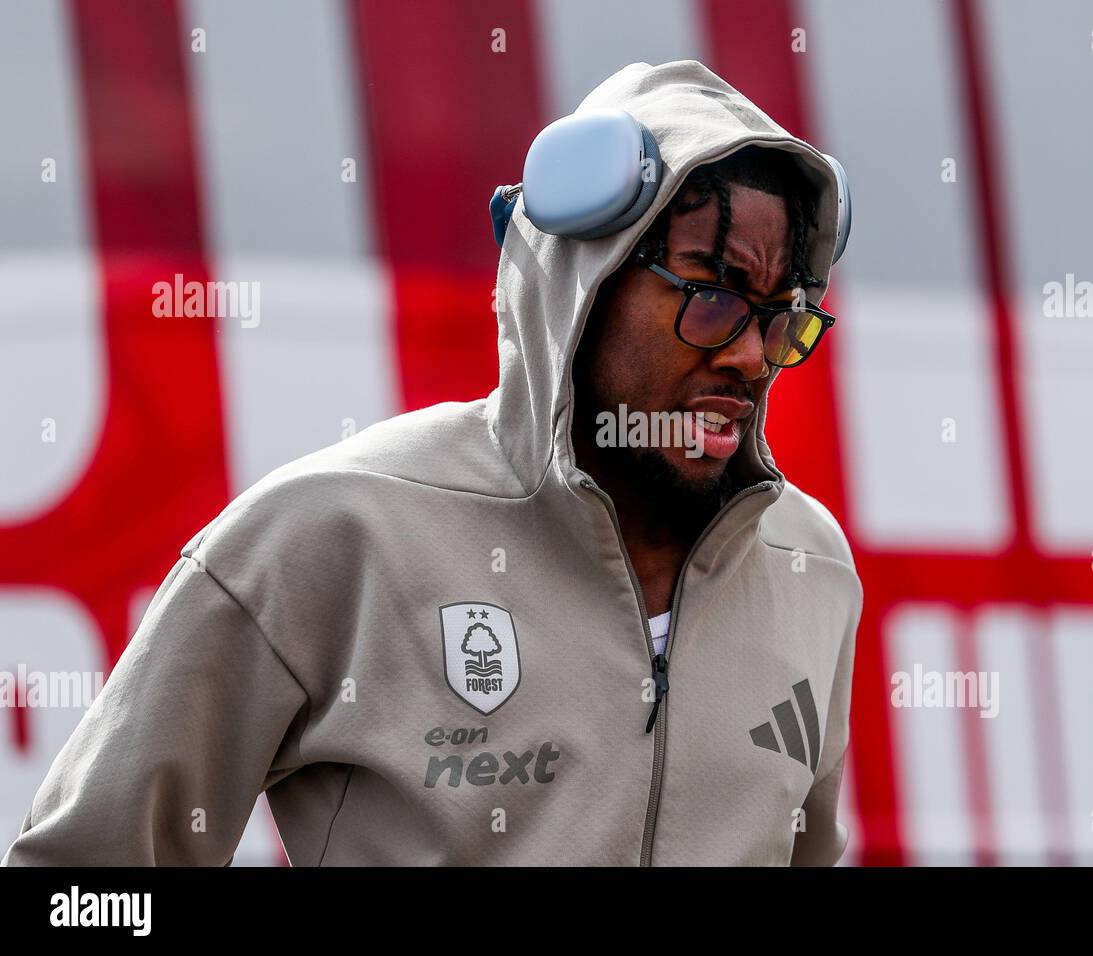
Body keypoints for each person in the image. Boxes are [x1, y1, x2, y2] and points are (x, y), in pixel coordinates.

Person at [2, 59, 862, 867]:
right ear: (582, 285)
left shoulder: (811, 567)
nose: (753, 354)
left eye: (781, 317)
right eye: (712, 297)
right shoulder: (333, 533)